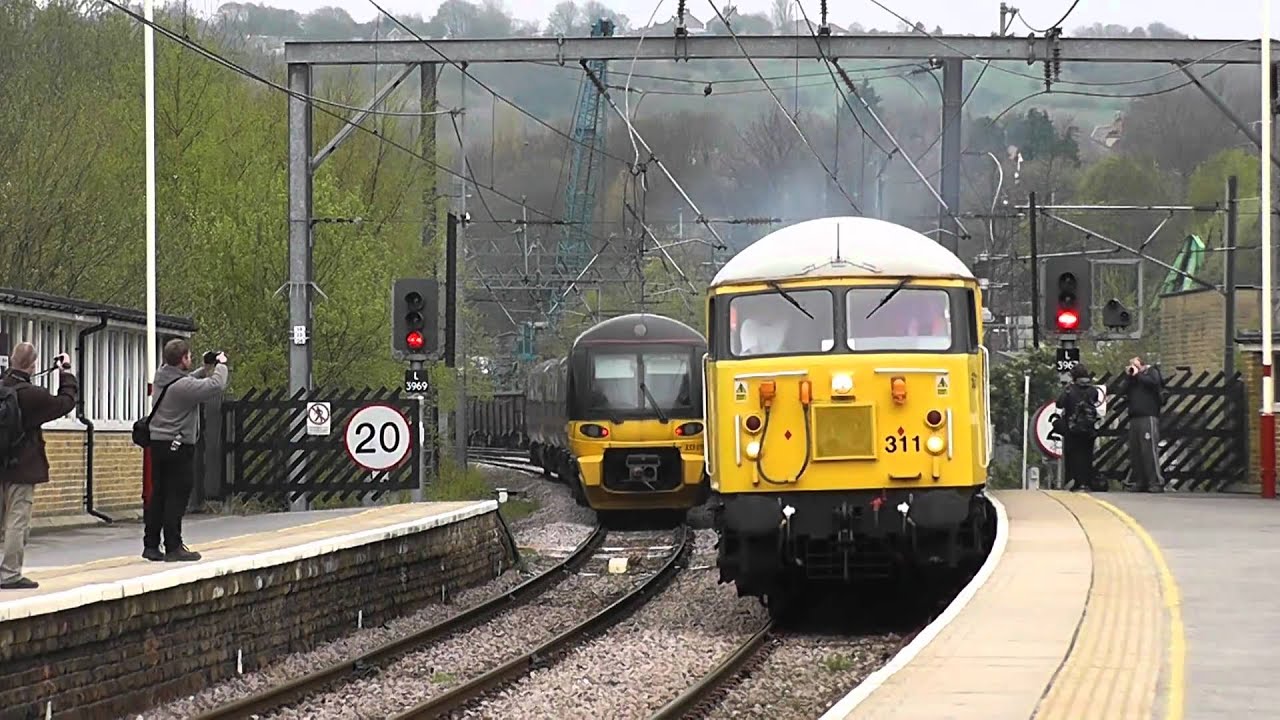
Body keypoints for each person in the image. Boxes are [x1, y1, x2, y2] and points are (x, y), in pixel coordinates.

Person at [0, 343, 78, 589]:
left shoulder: (2, 387)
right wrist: (65, 372)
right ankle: (10, 574)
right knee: (17, 521)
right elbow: (65, 403)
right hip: (22, 467)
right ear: (33, 365)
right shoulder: (32, 395)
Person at [143, 340, 229, 562]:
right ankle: (174, 546)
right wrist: (220, 365)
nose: (190, 359)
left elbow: (189, 380)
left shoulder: (163, 376)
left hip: (159, 444)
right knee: (176, 496)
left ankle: (151, 545)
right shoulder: (182, 388)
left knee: (159, 494)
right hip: (177, 447)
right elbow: (215, 386)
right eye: (189, 357)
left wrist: (205, 367)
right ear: (182, 359)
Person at [1118, 355, 1166, 493]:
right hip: (1134, 417)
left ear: (1142, 363)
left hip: (1148, 416)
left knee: (1148, 450)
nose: (1132, 366)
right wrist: (1129, 376)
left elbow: (1154, 383)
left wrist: (1139, 373)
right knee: (1136, 451)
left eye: (1135, 363)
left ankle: (1155, 482)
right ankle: (1140, 481)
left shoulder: (1151, 372)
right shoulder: (1133, 378)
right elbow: (1122, 390)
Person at [1055, 363, 1105, 492]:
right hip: (1089, 428)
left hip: (1073, 428)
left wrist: (1067, 387)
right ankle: (1086, 483)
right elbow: (1094, 401)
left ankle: (1075, 482)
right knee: (1087, 455)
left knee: (1074, 455)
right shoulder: (1093, 390)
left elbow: (1060, 404)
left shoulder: (1070, 390)